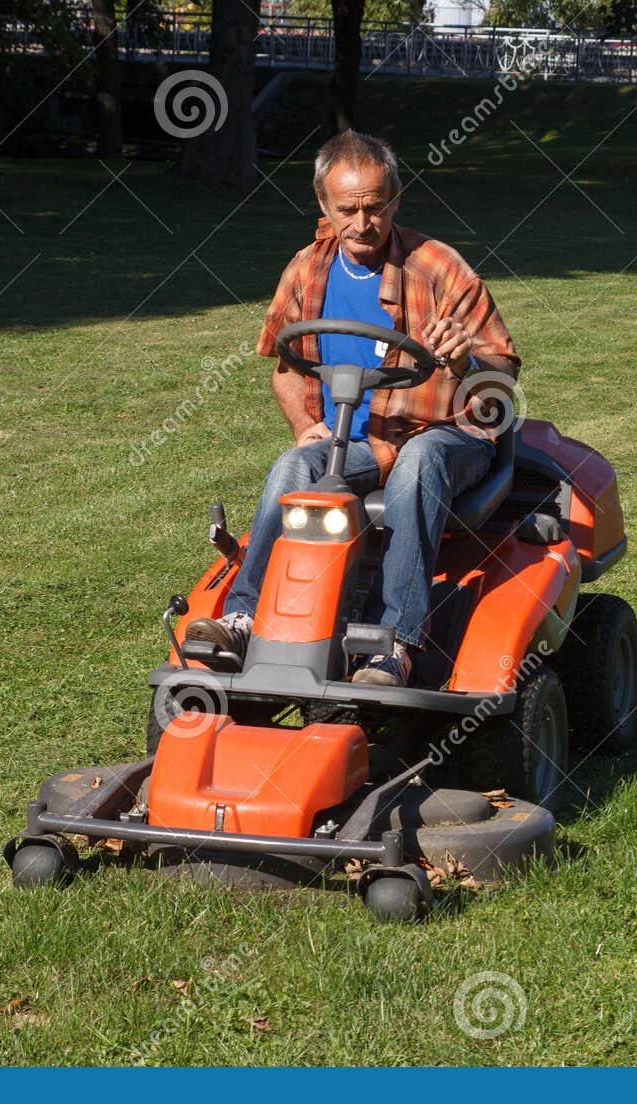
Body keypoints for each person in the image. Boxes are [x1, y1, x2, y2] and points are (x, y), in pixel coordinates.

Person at [184, 131, 520, 687]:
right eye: (348, 210)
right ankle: (244, 616)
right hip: (355, 441)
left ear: (396, 198)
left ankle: (395, 644)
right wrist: (304, 426)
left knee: (421, 457)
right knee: (294, 467)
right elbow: (286, 369)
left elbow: (503, 382)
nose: (363, 223)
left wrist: (466, 359)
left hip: (445, 435)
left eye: (375, 206)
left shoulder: (440, 268)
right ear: (323, 205)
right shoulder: (305, 271)